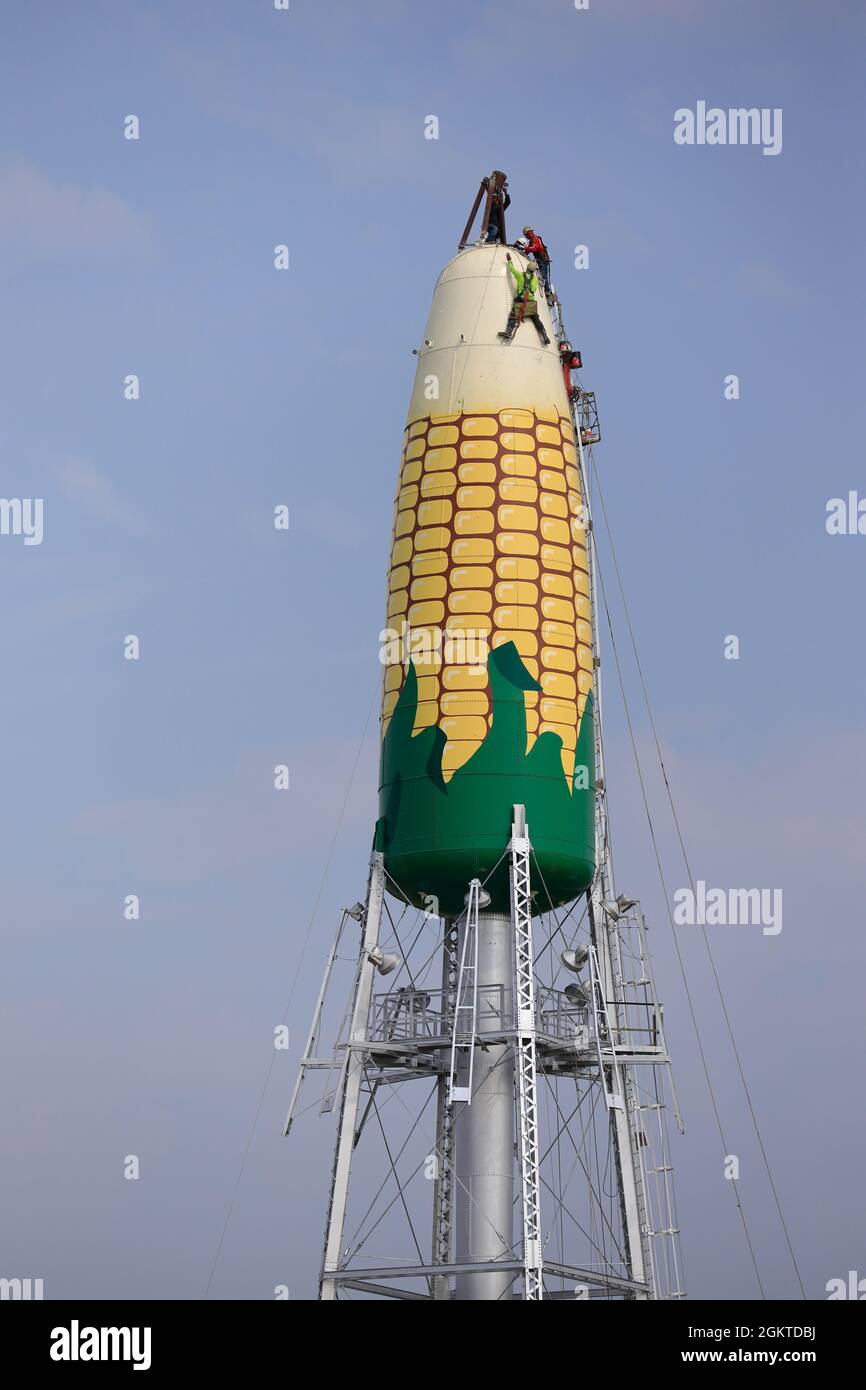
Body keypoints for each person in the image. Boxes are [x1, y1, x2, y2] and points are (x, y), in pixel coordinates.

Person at [498, 252, 550, 345]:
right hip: (530, 302)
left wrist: (509, 261)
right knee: (536, 320)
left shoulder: (520, 275)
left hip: (521, 302)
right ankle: (544, 336)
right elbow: (533, 289)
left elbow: (512, 269)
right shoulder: (534, 280)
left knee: (513, 317)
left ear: (527, 268)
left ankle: (508, 332)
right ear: (533, 271)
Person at [522, 225, 552, 295]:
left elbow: (534, 248)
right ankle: (546, 290)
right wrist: (523, 252)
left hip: (543, 261)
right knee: (542, 276)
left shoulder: (535, 239)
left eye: (526, 235)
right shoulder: (532, 240)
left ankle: (547, 290)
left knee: (543, 276)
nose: (526, 237)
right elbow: (530, 249)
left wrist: (525, 248)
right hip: (541, 261)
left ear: (529, 233)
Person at [484, 179, 511, 243]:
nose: (496, 200)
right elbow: (490, 199)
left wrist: (506, 193)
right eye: (495, 198)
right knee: (494, 230)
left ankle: (491, 241)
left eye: (497, 198)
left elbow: (508, 202)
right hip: (491, 225)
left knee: (498, 233)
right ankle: (489, 241)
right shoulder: (491, 205)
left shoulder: (499, 209)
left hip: (495, 227)